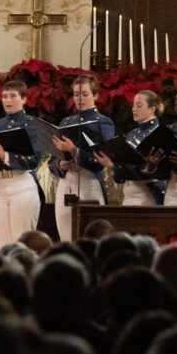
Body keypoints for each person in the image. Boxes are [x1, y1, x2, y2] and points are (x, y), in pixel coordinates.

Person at [0, 79, 42, 250]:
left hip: (21, 183)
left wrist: (5, 155)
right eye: (5, 96)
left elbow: (35, 159)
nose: (7, 100)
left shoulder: (32, 124)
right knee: (0, 242)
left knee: (22, 242)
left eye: (13, 96)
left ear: (24, 99)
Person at [51, 74, 114, 242]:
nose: (80, 98)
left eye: (85, 94)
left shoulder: (103, 122)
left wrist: (75, 151)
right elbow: (52, 160)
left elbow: (102, 160)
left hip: (89, 181)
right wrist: (60, 164)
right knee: (65, 237)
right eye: (76, 94)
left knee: (89, 238)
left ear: (95, 95)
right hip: (66, 182)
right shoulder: (66, 122)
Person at [99, 90, 166, 208]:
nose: (133, 109)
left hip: (149, 196)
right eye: (133, 105)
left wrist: (112, 165)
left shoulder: (159, 134)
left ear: (152, 109)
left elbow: (146, 171)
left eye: (139, 106)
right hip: (128, 194)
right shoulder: (132, 133)